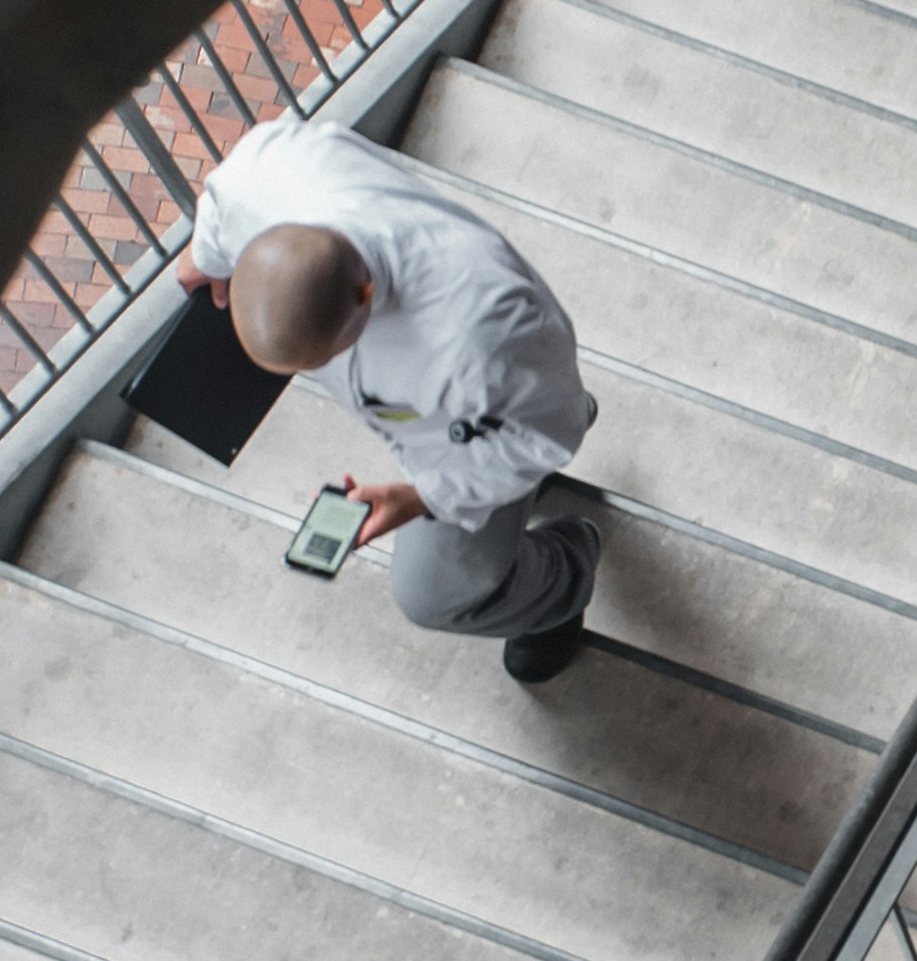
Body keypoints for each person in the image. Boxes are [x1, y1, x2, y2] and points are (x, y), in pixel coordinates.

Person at [178, 117, 602, 686]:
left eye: (323, 356)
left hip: (492, 421)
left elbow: (542, 433)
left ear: (366, 294)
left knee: (433, 596)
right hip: (486, 395)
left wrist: (421, 495)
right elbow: (222, 199)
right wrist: (205, 255)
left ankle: (566, 576)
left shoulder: (481, 337)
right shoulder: (263, 175)